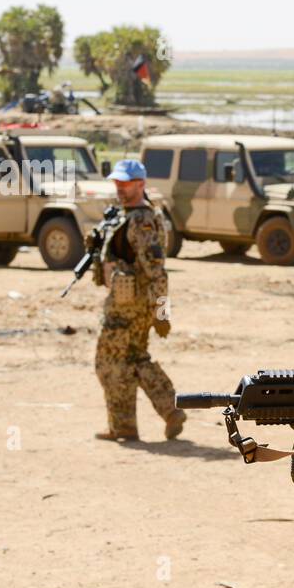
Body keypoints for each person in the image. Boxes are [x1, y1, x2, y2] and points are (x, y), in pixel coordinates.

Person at [94, 158, 185, 442]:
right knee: (134, 359)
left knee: (109, 362)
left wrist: (161, 313)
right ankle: (170, 410)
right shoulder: (127, 215)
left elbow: (157, 272)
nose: (120, 187)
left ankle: (124, 426)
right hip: (126, 304)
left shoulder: (142, 220)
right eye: (117, 182)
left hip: (131, 308)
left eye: (126, 183)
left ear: (141, 184)